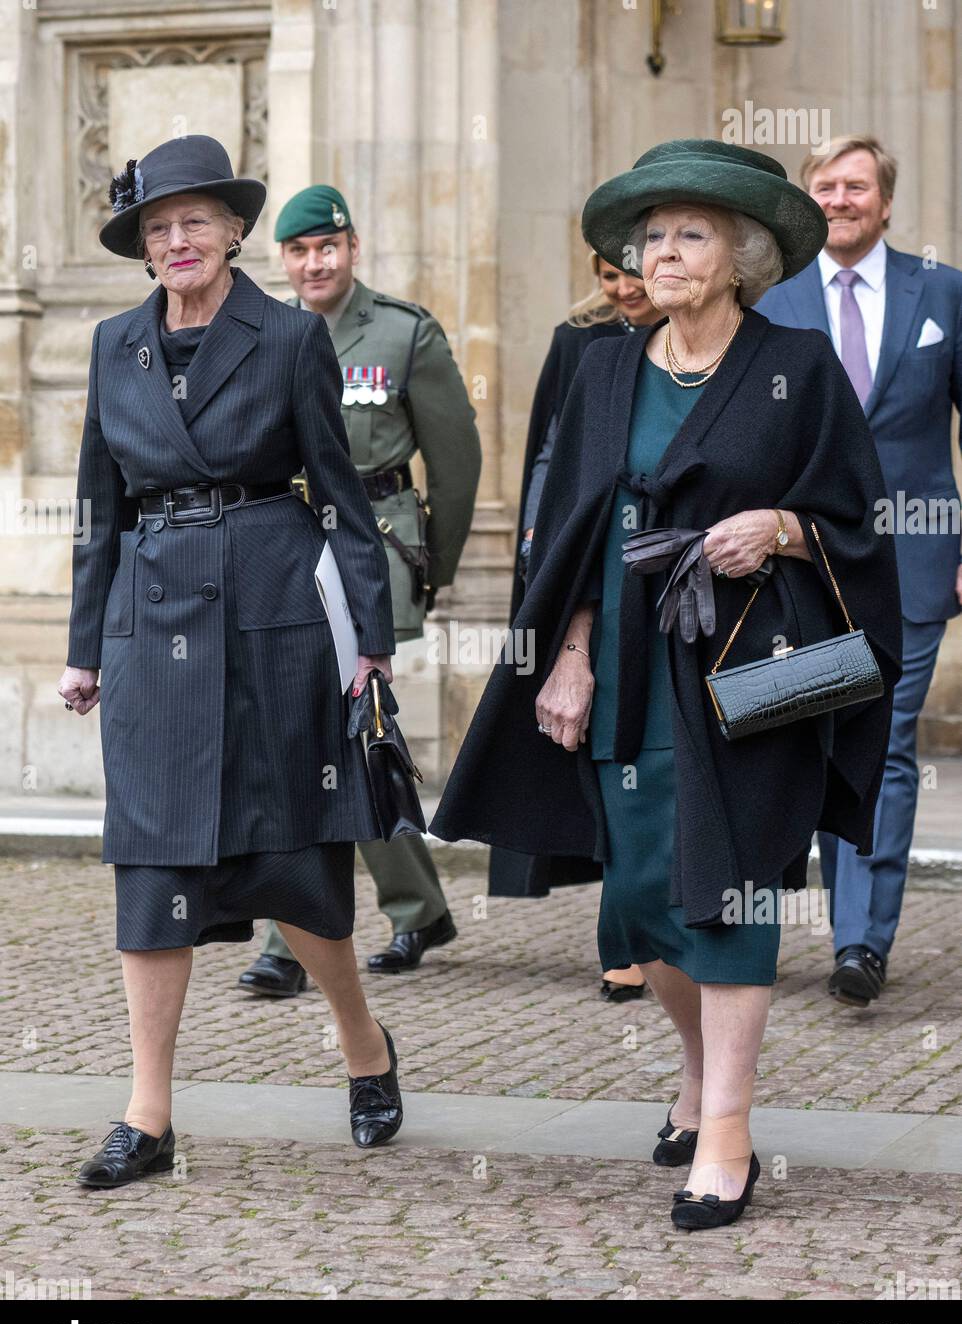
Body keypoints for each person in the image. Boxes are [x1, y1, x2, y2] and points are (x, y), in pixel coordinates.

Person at [429, 139, 902, 1229]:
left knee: (728, 883)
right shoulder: (604, 369)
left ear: (738, 257)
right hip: (629, 660)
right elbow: (579, 529)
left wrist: (777, 527)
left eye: (689, 234)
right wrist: (568, 650)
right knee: (643, 905)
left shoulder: (797, 368)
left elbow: (856, 525)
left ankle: (726, 1130)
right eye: (652, 236)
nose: (664, 251)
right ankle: (696, 1073)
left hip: (747, 665)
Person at [58, 136, 403, 1188]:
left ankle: (362, 1046)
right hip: (150, 621)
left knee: (289, 864)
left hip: (271, 615)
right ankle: (148, 1115)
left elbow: (344, 502)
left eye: (195, 222)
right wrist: (83, 648)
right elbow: (96, 508)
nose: (176, 241)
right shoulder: (114, 344)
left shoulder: (292, 338)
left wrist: (371, 643)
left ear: (233, 231)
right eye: (158, 228)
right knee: (151, 866)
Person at [238, 184, 482, 994]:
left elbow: (457, 462)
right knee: (333, 736)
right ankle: (412, 909)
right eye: (300, 252)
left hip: (374, 551)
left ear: (352, 247)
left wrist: (431, 569)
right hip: (292, 553)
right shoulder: (265, 332)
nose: (315, 264)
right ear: (283, 259)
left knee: (329, 732)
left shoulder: (404, 332)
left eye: (328, 248)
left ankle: (290, 937)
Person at [756, 135, 962, 1009]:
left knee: (889, 740)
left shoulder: (942, 291)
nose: (841, 199)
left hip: (915, 561)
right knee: (822, 734)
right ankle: (766, 922)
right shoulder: (776, 300)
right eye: (826, 187)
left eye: (856, 186)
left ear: (885, 199)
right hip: (809, 564)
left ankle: (861, 941)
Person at [490, 251, 662, 1003]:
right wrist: (543, 570)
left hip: (690, 570)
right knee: (606, 758)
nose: (623, 287)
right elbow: (547, 466)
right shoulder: (578, 342)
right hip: (596, 573)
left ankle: (690, 931)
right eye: (606, 271)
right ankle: (621, 937)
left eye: (635, 270)